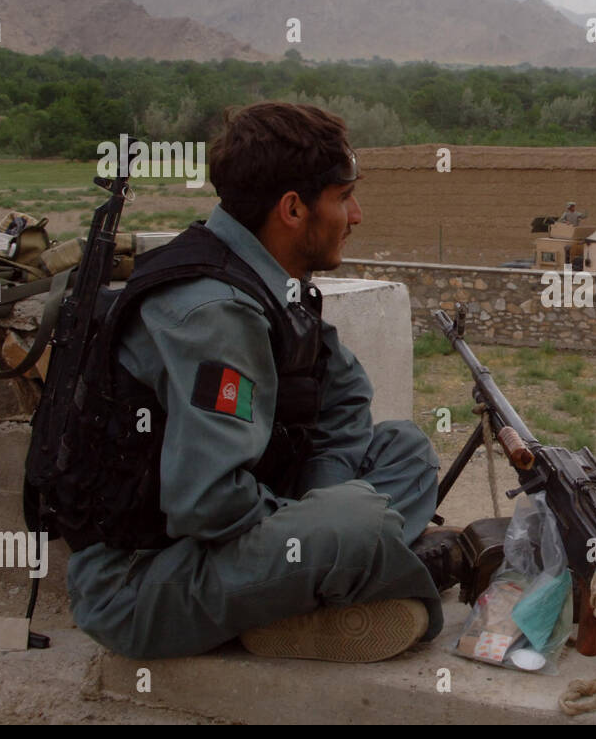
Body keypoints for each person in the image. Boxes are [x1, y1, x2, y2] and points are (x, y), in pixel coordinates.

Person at [66, 102, 462, 663]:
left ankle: (308, 587)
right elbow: (206, 503)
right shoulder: (214, 312)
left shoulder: (265, 280)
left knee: (405, 448)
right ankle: (347, 581)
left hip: (227, 533)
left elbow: (343, 397)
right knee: (360, 521)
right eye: (344, 197)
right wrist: (316, 524)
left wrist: (315, 503)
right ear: (294, 208)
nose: (357, 216)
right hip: (144, 582)